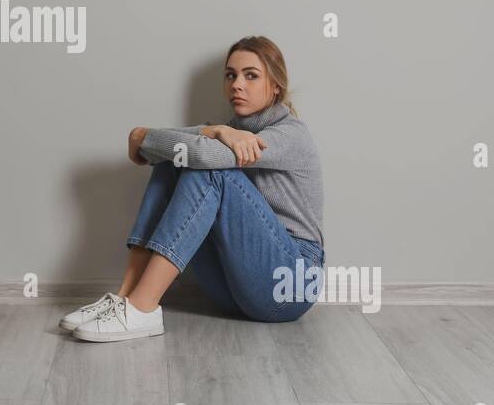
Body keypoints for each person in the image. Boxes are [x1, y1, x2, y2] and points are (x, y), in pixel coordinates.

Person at [64, 35, 325, 342]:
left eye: (251, 75)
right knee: (172, 159)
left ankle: (143, 308)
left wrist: (142, 136)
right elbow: (156, 152)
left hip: (290, 284)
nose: (237, 84)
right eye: (231, 75)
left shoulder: (290, 134)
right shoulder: (232, 133)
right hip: (237, 289)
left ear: (276, 86)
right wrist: (212, 129)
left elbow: (196, 155)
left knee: (205, 167)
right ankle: (127, 298)